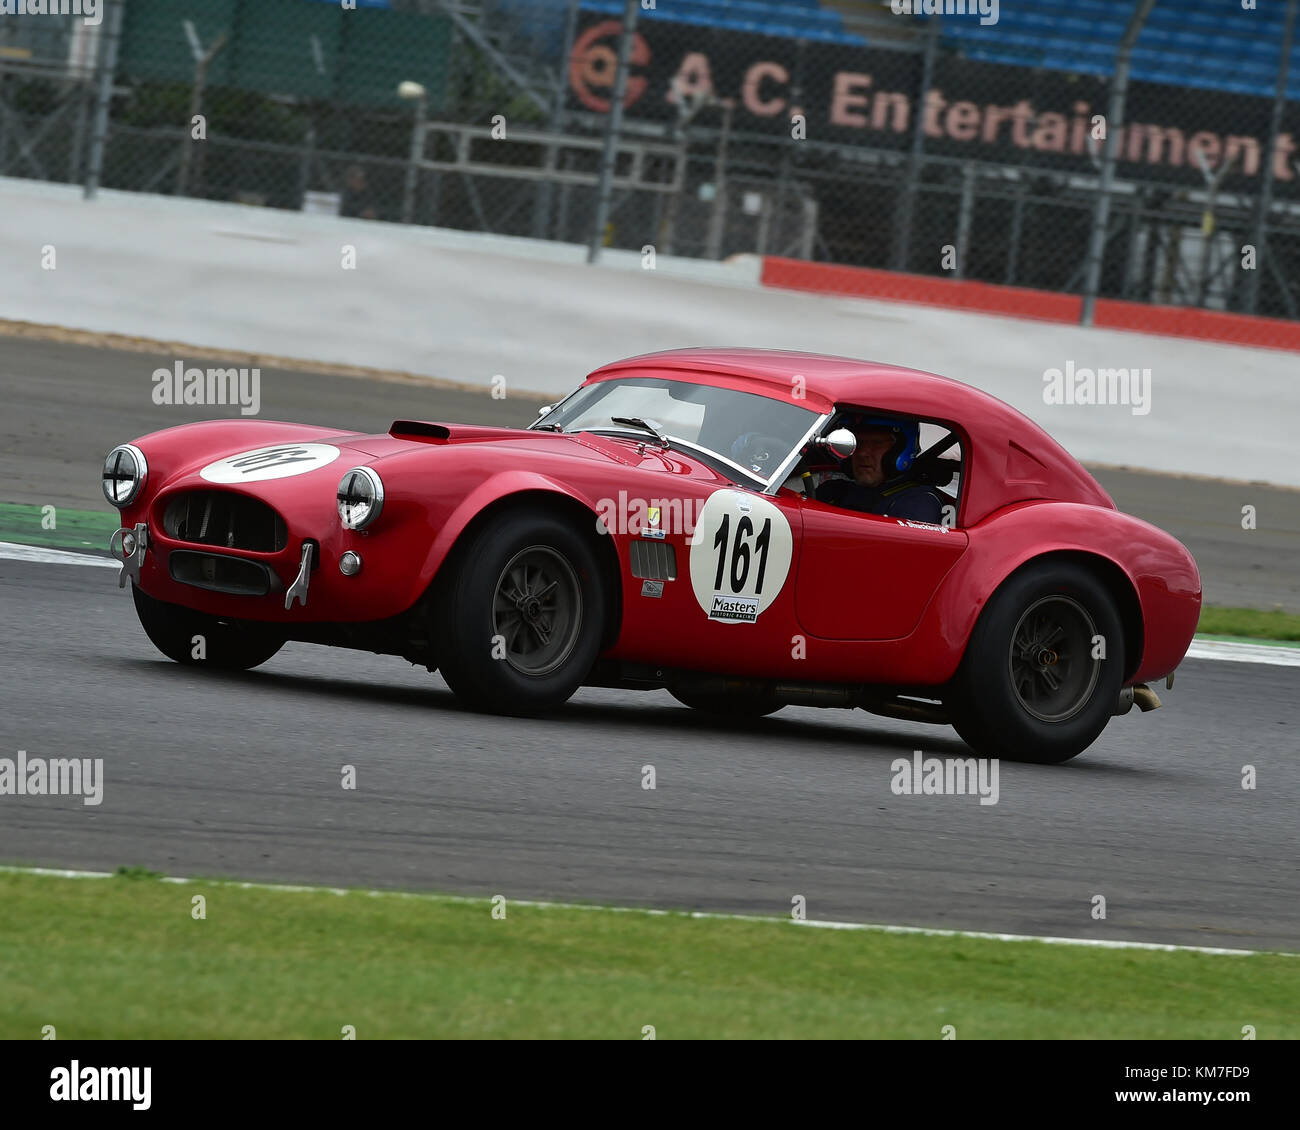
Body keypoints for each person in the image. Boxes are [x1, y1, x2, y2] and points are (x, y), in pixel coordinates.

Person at [814, 415, 945, 523]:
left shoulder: (918, 503)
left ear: (899, 451)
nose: (862, 453)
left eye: (877, 443)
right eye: (857, 443)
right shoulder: (833, 491)